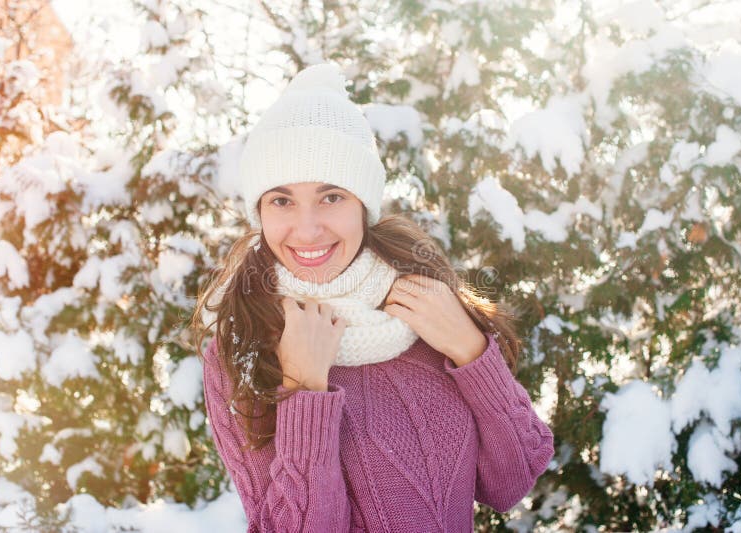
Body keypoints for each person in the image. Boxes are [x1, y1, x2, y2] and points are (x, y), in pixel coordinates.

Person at [192, 62, 554, 532]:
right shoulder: (241, 349)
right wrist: (304, 388)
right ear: (260, 212)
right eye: (282, 200)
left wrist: (471, 351)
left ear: (363, 204)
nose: (307, 228)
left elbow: (512, 481)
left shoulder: (426, 310)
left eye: (331, 197)